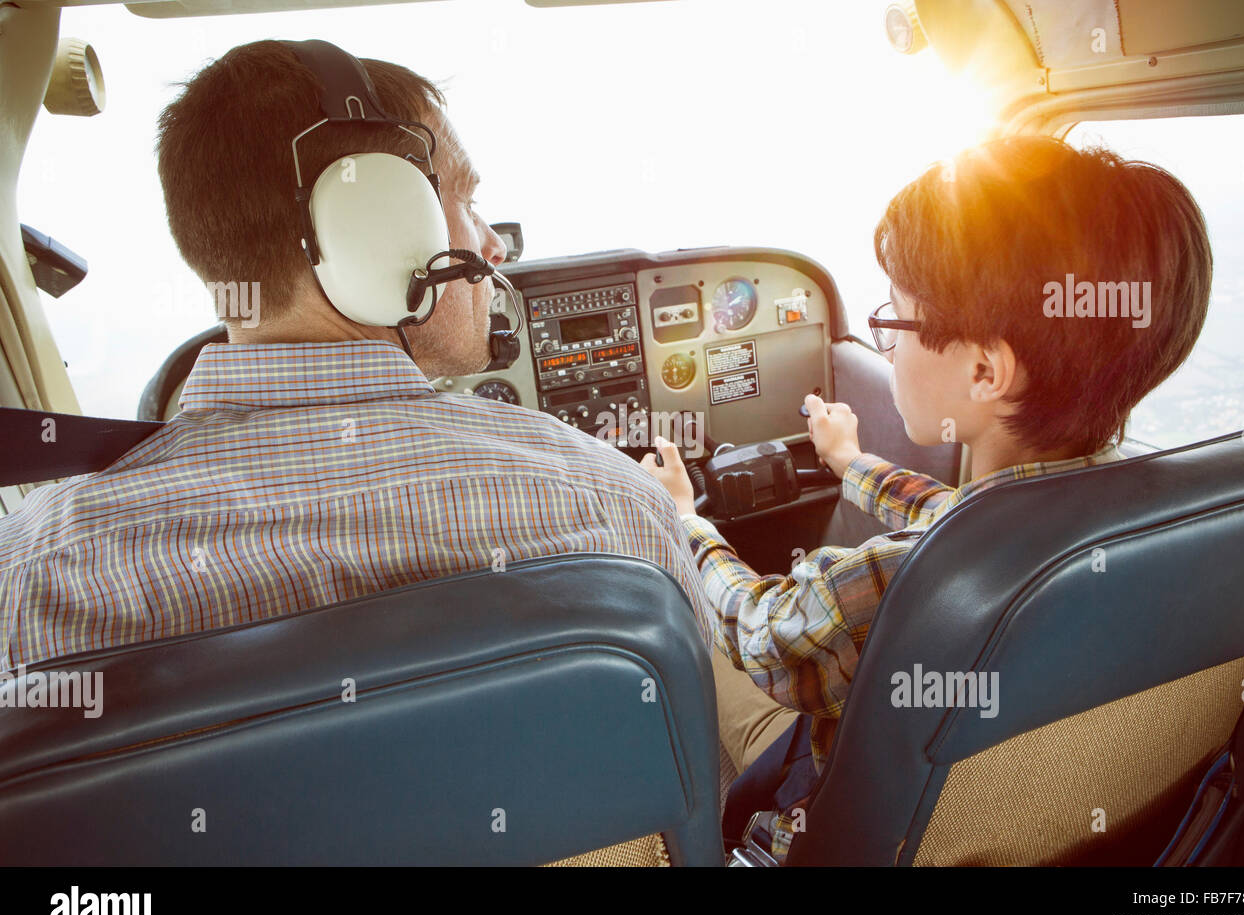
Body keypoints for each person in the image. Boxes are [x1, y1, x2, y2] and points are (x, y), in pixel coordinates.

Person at [0, 40, 716, 667]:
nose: (494, 247)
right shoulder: (613, 506)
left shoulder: (29, 579)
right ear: (373, 220)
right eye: (462, 199)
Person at [643, 135, 1213, 860]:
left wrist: (687, 521)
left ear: (984, 370)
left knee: (690, 625)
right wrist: (851, 463)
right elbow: (968, 516)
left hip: (839, 829)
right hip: (1045, 825)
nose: (884, 347)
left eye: (894, 321)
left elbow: (760, 630)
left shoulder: (897, 583)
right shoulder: (1173, 525)